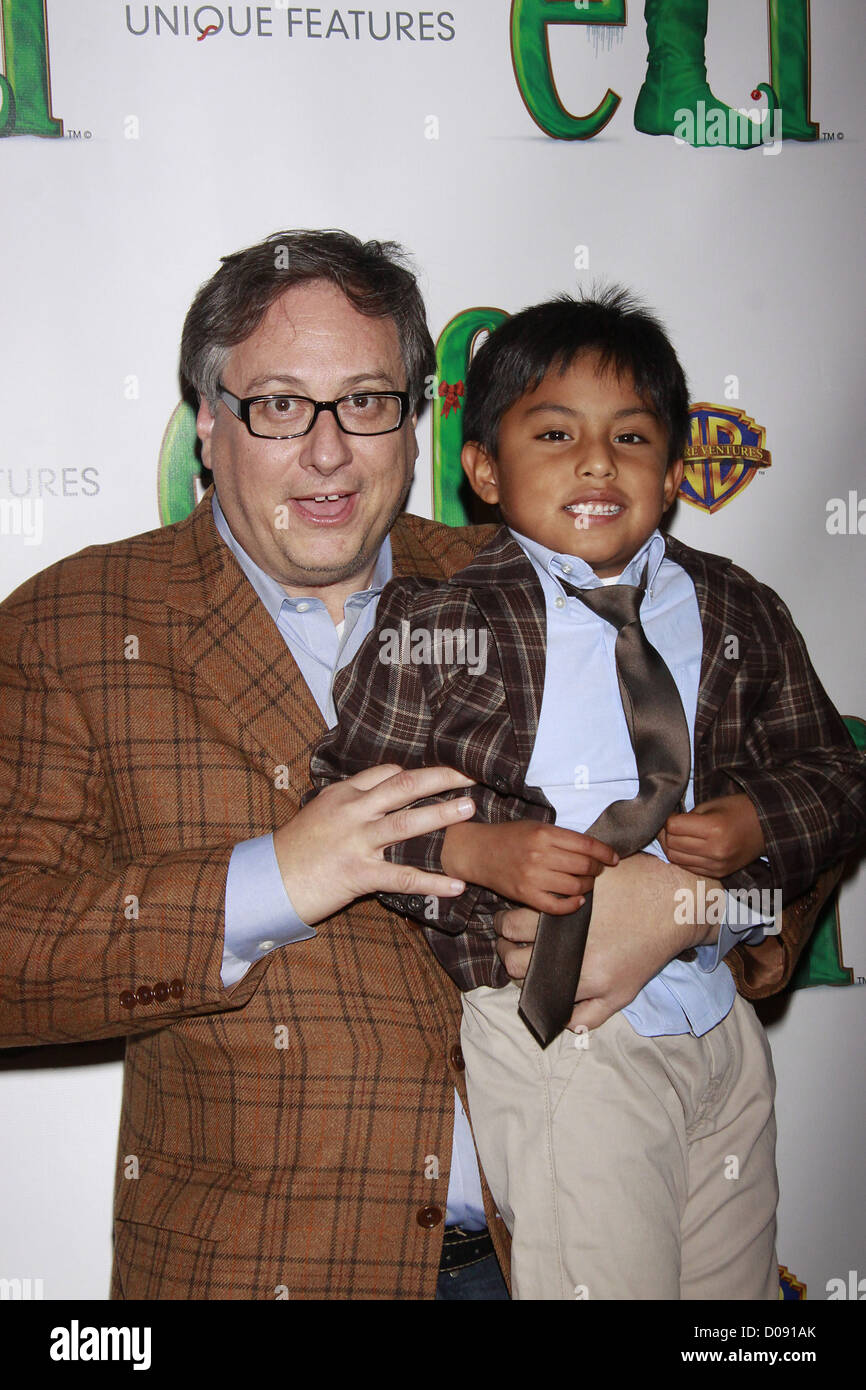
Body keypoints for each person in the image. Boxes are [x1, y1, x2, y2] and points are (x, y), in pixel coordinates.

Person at [0, 230, 713, 1302]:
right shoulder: (76, 624)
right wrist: (271, 882)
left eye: (367, 401)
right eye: (280, 405)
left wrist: (688, 902)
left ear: (413, 418)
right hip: (257, 1272)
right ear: (207, 420)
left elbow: (788, 787)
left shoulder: (540, 582)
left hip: (571, 1253)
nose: (328, 451)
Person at [311, 290, 866, 1299]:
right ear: (482, 468)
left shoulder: (737, 604)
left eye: (631, 436)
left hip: (716, 1020)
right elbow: (350, 794)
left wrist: (754, 823)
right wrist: (474, 851)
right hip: (556, 1028)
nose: (596, 463)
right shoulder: (434, 620)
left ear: (672, 466)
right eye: (554, 432)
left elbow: (835, 775)